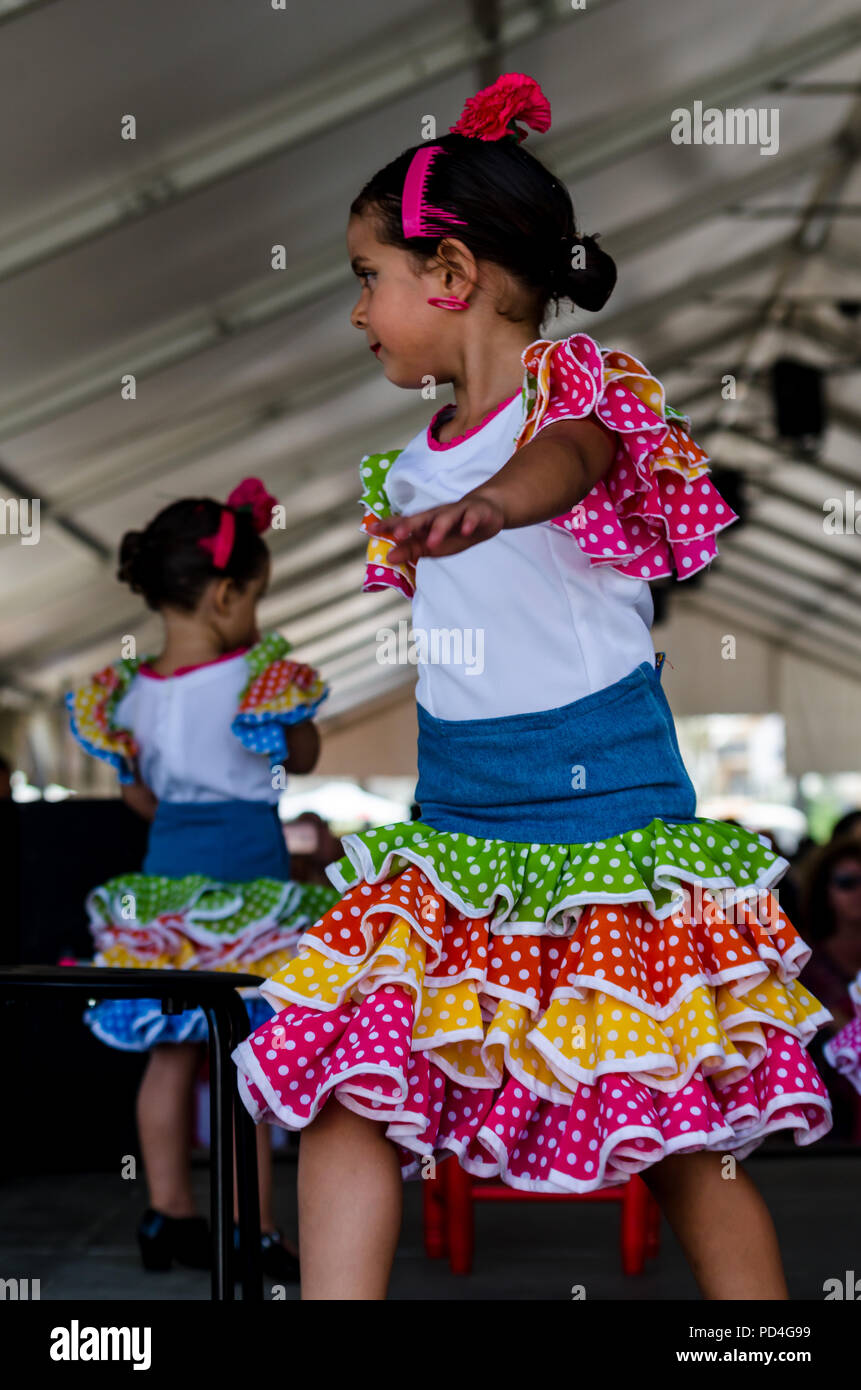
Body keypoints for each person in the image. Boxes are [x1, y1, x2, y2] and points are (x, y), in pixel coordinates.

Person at [232, 74, 833, 1300]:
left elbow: (571, 463)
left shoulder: (584, 394)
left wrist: (498, 503)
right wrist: (457, 506)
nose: (357, 314)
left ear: (447, 273)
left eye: (365, 277)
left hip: (609, 823)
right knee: (347, 1085)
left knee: (681, 1141)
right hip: (455, 831)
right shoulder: (402, 472)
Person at [67, 477, 339, 1277]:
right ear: (225, 595)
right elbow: (303, 757)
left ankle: (166, 1217)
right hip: (247, 888)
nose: (256, 616)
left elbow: (138, 796)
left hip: (160, 890)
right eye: (253, 597)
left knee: (170, 1058)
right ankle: (249, 1232)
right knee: (241, 1059)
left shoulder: (126, 695)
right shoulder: (258, 676)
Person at [799, 837, 861, 1134]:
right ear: (825, 891)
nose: (859, 893)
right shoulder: (806, 961)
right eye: (847, 882)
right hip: (834, 1123)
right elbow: (840, 1026)